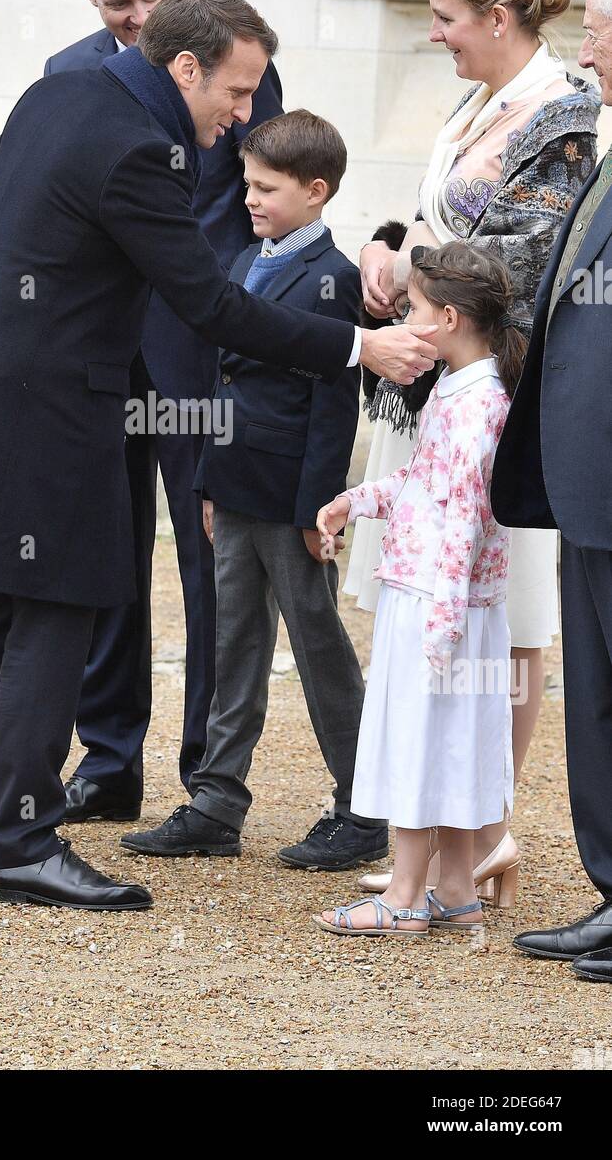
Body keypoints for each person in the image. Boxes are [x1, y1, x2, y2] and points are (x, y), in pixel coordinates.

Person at [0, 0, 438, 912]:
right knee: (54, 612)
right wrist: (359, 344)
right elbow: (210, 305)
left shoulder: (57, 95)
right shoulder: (137, 150)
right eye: (237, 90)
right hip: (51, 410)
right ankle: (23, 843)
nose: (244, 114)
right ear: (184, 68)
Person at [350, 0, 599, 896]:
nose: (436, 35)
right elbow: (440, 220)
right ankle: (444, 822)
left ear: (497, 17)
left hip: (501, 400)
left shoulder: (563, 114)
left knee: (509, 617)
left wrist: (412, 267)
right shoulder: (481, 100)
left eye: (446, 18)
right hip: (431, 377)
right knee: (422, 600)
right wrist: (386, 243)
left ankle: (486, 819)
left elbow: (519, 263)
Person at [46, 0, 284, 816]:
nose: (140, 18)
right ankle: (107, 760)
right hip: (103, 352)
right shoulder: (69, 78)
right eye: (120, 4)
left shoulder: (237, 67)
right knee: (104, 550)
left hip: (201, 350)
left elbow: (260, 198)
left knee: (208, 557)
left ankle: (208, 775)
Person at [121, 110, 387, 870]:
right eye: (245, 184)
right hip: (233, 488)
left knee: (319, 648)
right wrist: (207, 483)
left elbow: (335, 405)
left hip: (291, 501)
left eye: (266, 188)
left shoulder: (332, 281)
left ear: (316, 190)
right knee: (232, 642)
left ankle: (364, 804)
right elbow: (217, 379)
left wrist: (317, 510)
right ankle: (216, 800)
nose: (249, 200)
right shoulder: (243, 265)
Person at [315, 243, 525, 938]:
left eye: (412, 308)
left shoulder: (475, 406)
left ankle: (405, 895)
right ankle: (457, 887)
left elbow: (463, 517)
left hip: (440, 601)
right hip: (456, 603)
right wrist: (356, 500)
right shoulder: (466, 391)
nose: (403, 316)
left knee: (419, 734)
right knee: (455, 740)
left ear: (449, 319)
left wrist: (440, 623)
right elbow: (425, 486)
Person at [491, 0, 612, 982]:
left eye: (600, 30)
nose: (585, 46)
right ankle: (609, 891)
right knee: (596, 700)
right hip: (585, 479)